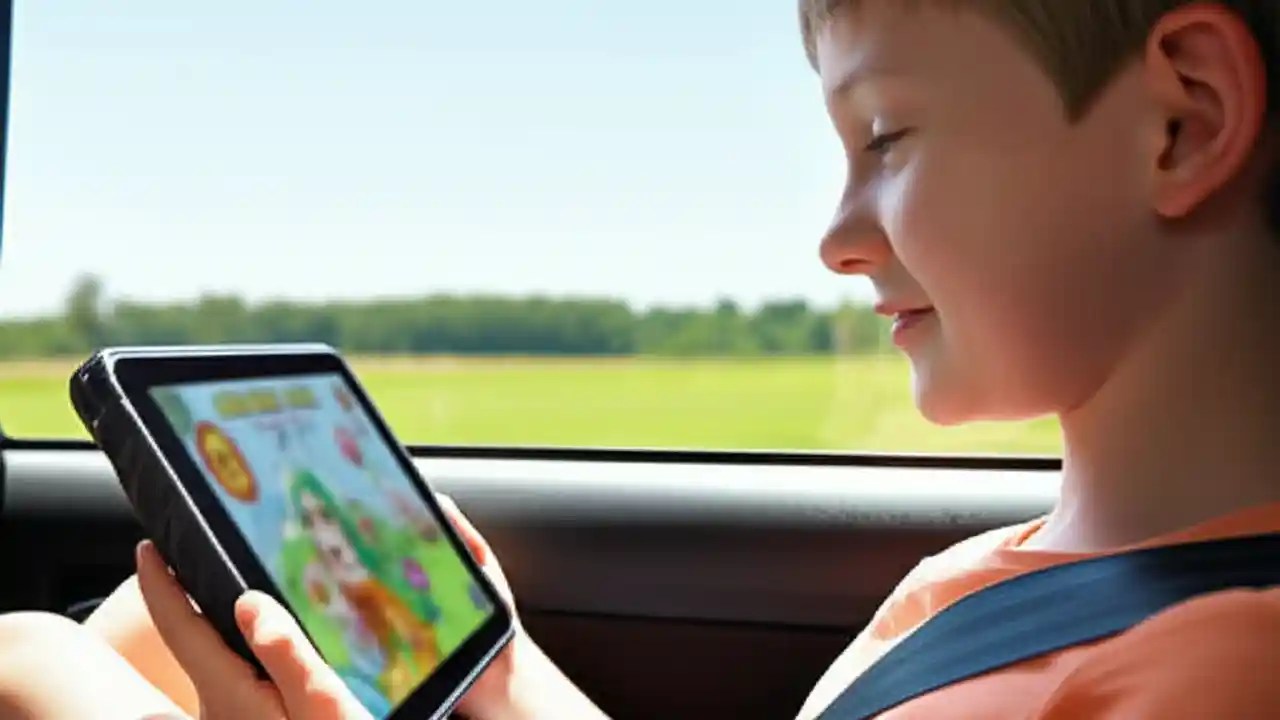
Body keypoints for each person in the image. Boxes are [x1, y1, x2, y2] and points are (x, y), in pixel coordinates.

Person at [4, 0, 1280, 717]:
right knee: (135, 629)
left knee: (33, 666)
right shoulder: (991, 575)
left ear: (1180, 122)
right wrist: (499, 674)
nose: (834, 239)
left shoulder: (1218, 674)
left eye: (885, 136)